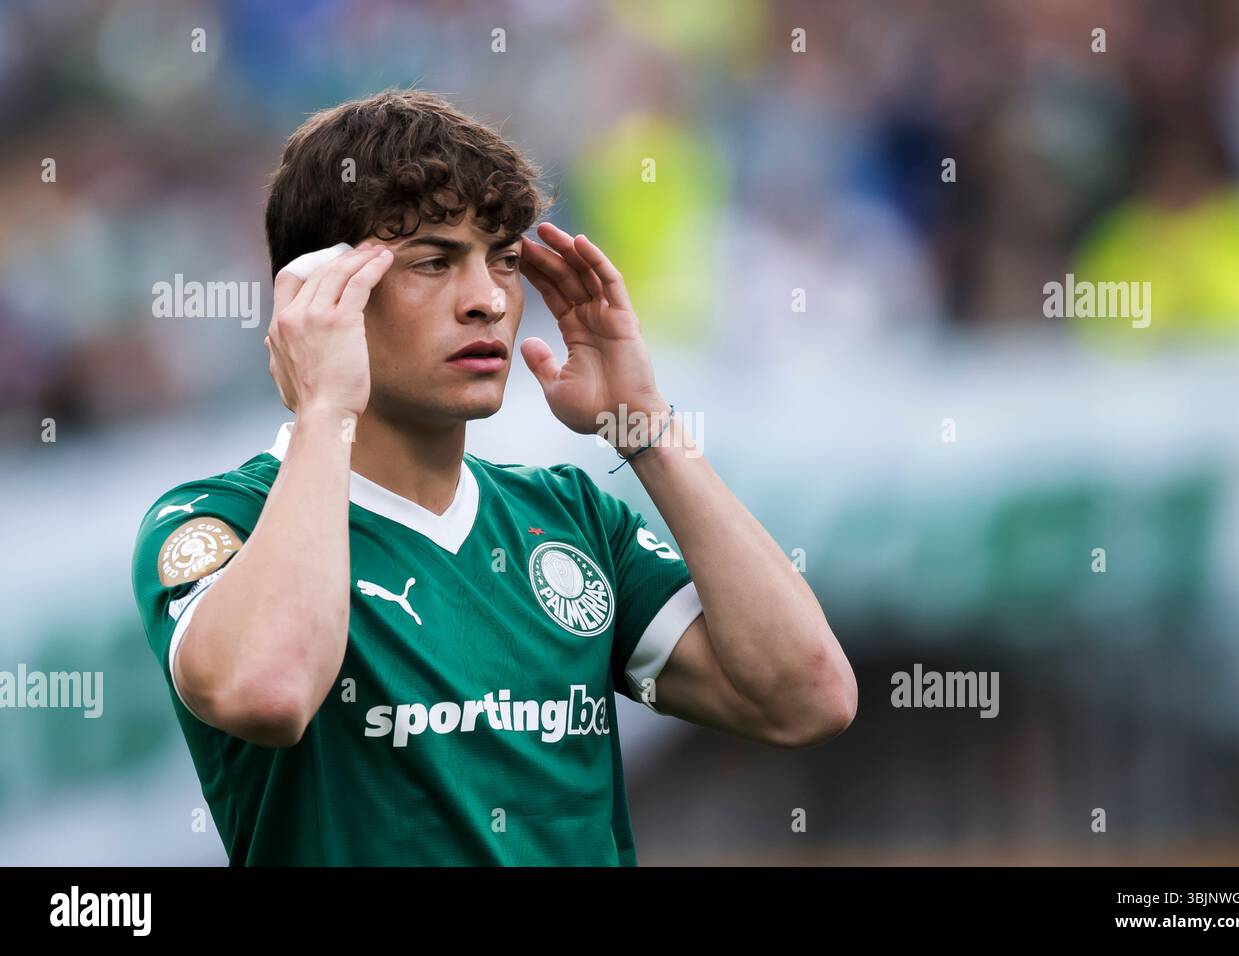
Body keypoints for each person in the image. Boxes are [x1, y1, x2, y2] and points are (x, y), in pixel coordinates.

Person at [131, 90, 857, 865]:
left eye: (504, 261)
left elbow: (806, 697)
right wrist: (326, 409)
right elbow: (268, 692)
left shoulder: (571, 517)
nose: (487, 301)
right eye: (434, 262)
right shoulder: (216, 520)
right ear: (320, 296)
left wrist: (643, 425)